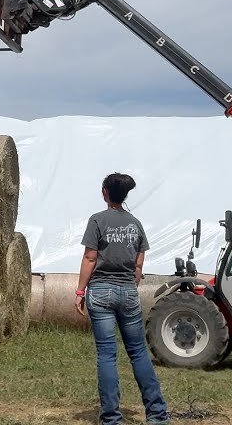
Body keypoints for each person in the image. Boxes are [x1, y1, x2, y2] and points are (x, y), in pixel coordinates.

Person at [75, 173, 169, 425]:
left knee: (107, 354)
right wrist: (129, 284)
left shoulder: (97, 220)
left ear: (104, 192)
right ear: (125, 194)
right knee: (138, 352)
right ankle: (158, 415)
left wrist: (80, 291)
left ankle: (111, 419)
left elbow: (90, 258)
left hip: (101, 291)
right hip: (127, 291)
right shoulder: (135, 223)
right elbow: (139, 264)